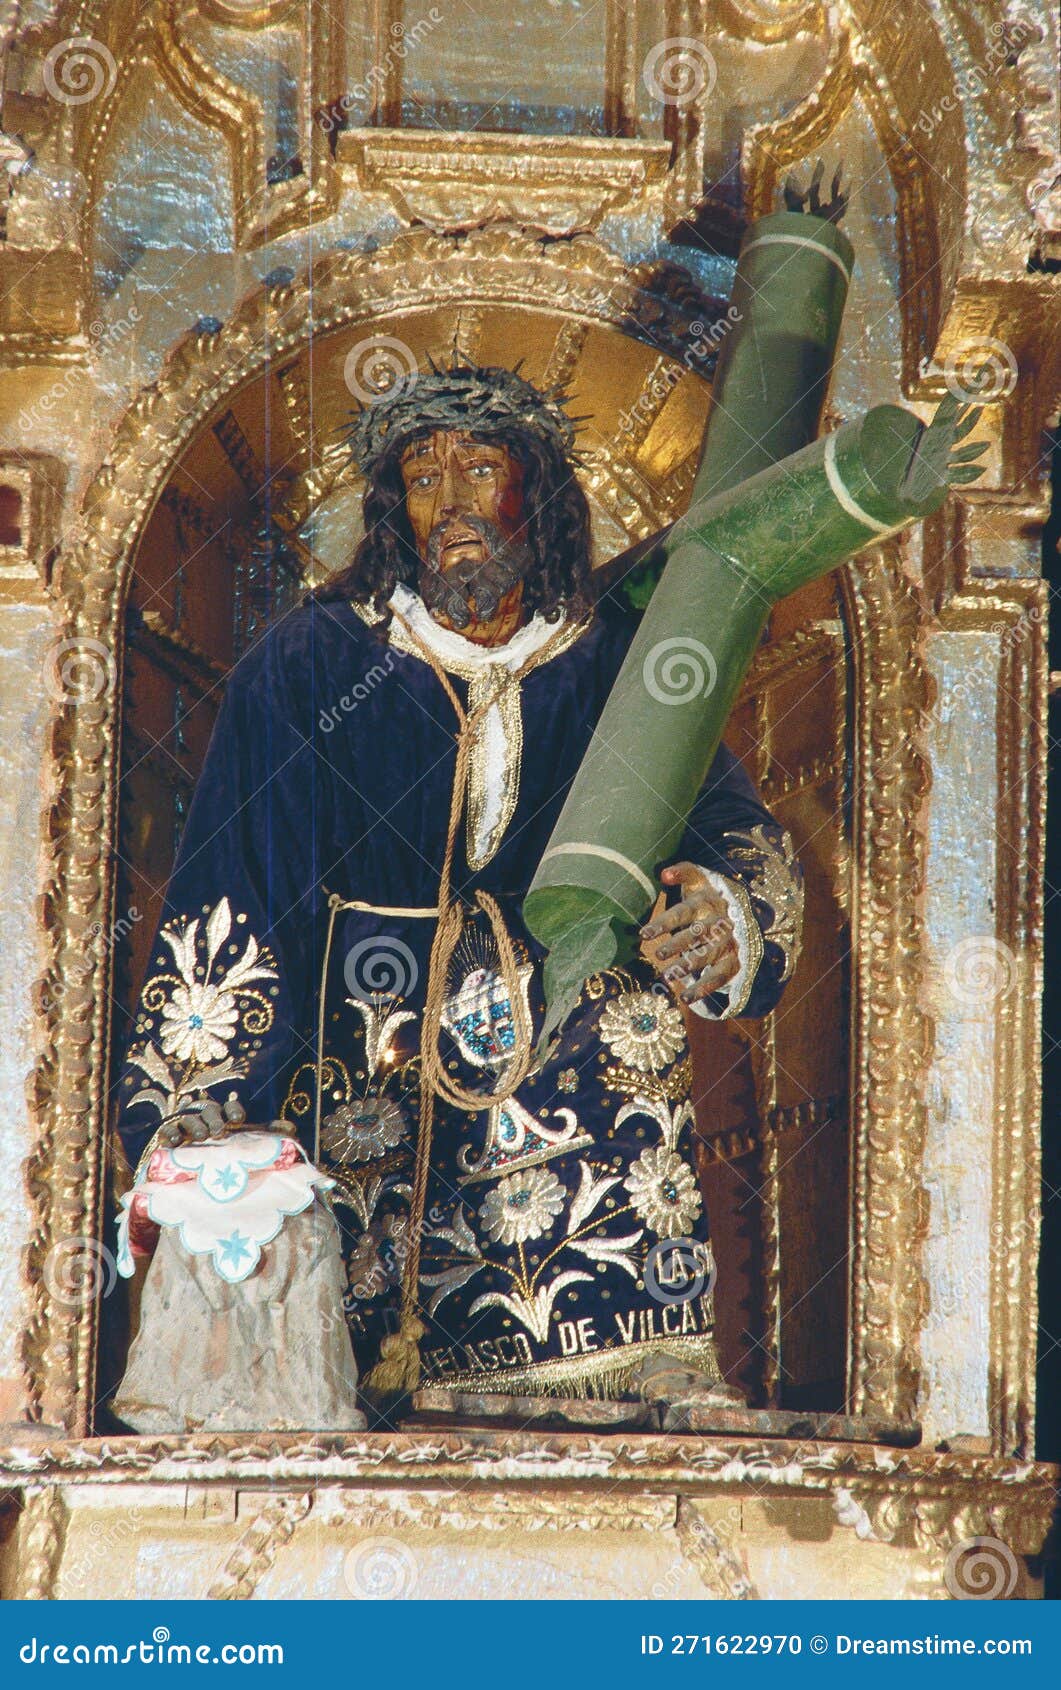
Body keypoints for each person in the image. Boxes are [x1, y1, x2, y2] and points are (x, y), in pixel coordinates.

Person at [113, 361, 804, 1411]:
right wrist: (203, 1112)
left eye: (482, 469)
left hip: (582, 1102)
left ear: (538, 492)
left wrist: (724, 911)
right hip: (368, 1083)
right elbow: (232, 896)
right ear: (394, 505)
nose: (452, 505)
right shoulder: (311, 661)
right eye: (424, 476)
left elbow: (737, 830)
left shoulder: (626, 657)